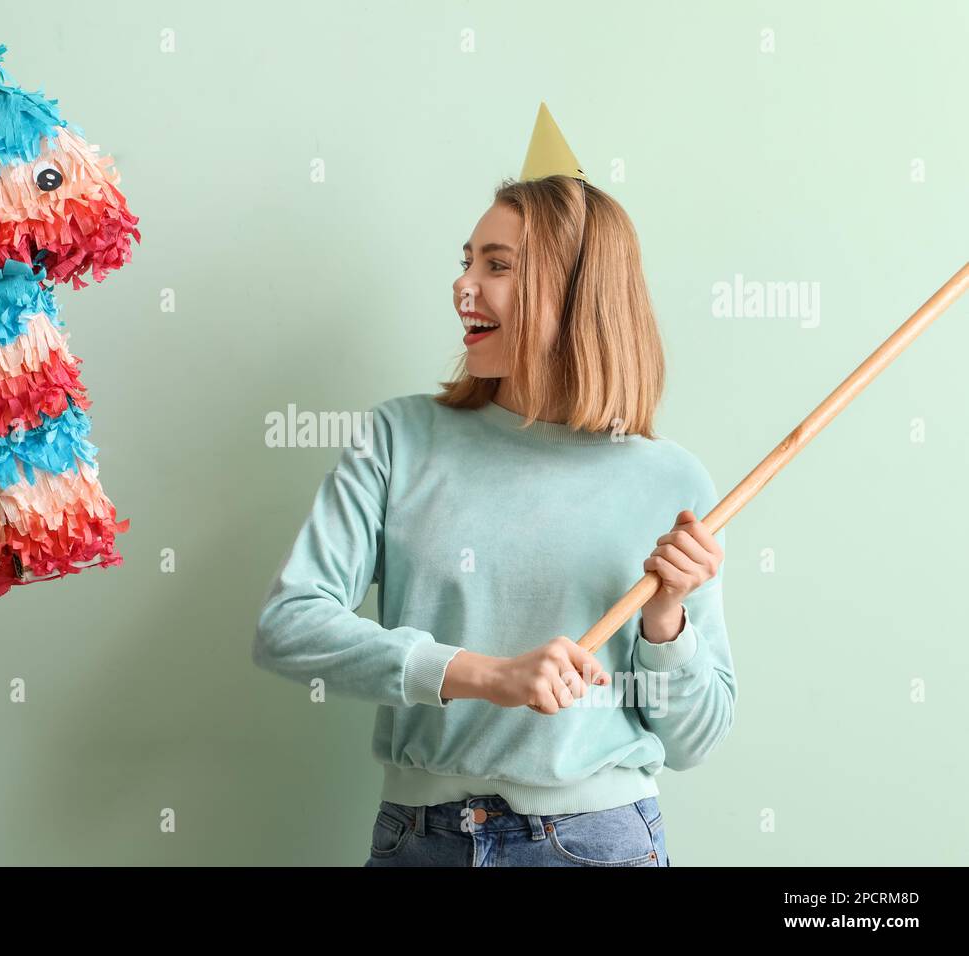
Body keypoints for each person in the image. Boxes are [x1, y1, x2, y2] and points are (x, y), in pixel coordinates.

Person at [252, 105, 735, 867]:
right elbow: (288, 625)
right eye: (466, 259)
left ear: (574, 293)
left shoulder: (670, 481)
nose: (462, 285)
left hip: (598, 843)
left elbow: (695, 740)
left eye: (497, 266)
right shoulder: (398, 438)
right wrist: (486, 675)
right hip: (419, 840)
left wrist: (666, 623)